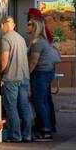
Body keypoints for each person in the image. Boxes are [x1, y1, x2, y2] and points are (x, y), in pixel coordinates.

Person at [0, 15, 33, 143]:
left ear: (2, 26)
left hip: (11, 78)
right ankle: (27, 134)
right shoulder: (21, 38)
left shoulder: (5, 39)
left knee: (11, 108)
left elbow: (4, 61)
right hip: (24, 78)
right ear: (14, 25)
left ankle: (15, 136)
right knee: (24, 107)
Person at [26, 13, 60, 141]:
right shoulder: (42, 41)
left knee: (39, 102)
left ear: (35, 27)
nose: (27, 26)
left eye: (29, 24)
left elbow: (34, 61)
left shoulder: (37, 42)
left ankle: (46, 130)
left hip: (40, 73)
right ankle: (47, 127)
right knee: (44, 102)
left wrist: (27, 75)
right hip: (46, 73)